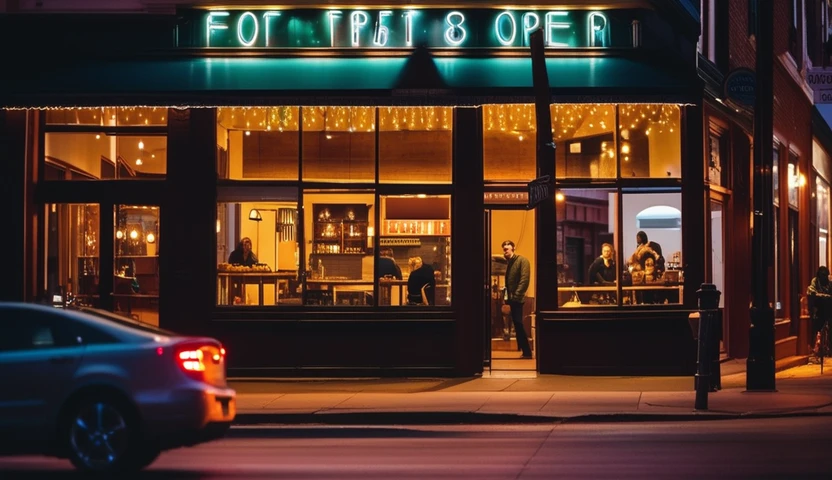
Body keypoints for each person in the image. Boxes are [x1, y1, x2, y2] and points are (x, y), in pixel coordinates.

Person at [502, 240, 533, 359]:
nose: (505, 251)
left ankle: (527, 351)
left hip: (516, 299)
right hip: (513, 298)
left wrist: (516, 296)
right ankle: (525, 350)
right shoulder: (511, 262)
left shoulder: (521, 261)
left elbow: (524, 280)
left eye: (507, 249)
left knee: (518, 324)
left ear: (513, 248)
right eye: (504, 249)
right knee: (517, 323)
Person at [807, 265, 832, 355]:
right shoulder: (815, 282)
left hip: (828, 308)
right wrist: (822, 296)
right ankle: (815, 346)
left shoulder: (829, 283)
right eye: (823, 275)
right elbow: (810, 291)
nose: (825, 277)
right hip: (818, 308)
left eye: (826, 275)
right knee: (817, 324)